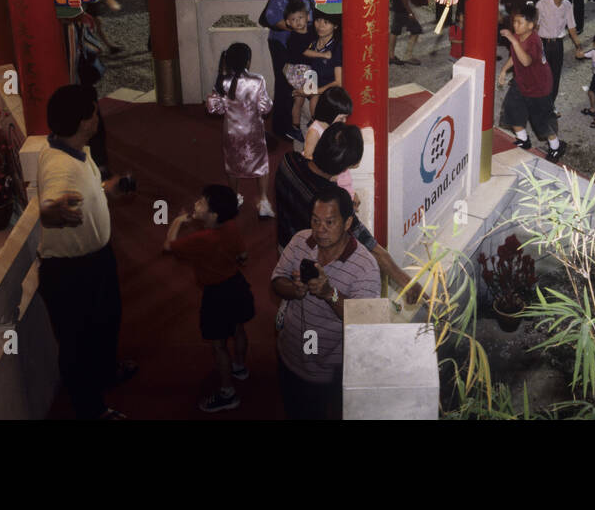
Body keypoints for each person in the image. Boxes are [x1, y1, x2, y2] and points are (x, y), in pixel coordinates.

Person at [37, 85, 137, 420]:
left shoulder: (76, 149)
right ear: (83, 122)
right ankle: (91, 410)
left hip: (96, 261)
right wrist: (52, 212)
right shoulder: (60, 166)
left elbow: (85, 189)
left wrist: (109, 189)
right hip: (72, 273)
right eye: (94, 112)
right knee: (78, 346)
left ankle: (107, 372)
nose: (98, 117)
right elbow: (50, 206)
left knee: (107, 322)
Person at [271, 186, 380, 419]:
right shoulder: (300, 240)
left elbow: (365, 322)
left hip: (330, 373)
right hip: (289, 357)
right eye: (315, 220)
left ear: (348, 222)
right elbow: (277, 280)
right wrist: (294, 290)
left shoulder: (366, 267)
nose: (320, 230)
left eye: (330, 222)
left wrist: (330, 293)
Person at [276, 123, 417, 295]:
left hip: (285, 248)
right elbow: (372, 248)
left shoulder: (288, 161)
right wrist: (407, 283)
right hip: (312, 261)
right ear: (346, 167)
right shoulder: (331, 203)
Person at [164, 183, 255, 413]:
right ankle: (240, 367)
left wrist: (178, 221)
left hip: (216, 295)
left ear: (213, 215)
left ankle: (227, 393)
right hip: (236, 286)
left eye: (202, 202)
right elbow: (243, 255)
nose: (196, 203)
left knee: (218, 345)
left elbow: (168, 245)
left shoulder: (202, 239)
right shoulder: (231, 226)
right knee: (239, 328)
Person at [207, 43, 274, 218]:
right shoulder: (257, 80)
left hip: (231, 133)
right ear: (248, 62)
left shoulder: (222, 81)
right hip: (254, 132)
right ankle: (263, 200)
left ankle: (234, 197)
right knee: (261, 165)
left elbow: (214, 108)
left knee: (232, 166)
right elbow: (265, 107)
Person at [498, 3, 566, 161]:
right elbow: (515, 57)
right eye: (514, 21)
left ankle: (556, 147)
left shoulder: (534, 41)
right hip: (521, 81)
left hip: (538, 86)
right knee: (511, 108)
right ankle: (523, 139)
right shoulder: (518, 36)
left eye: (519, 22)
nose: (515, 25)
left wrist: (513, 41)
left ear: (530, 25)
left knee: (541, 119)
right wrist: (504, 70)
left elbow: (526, 61)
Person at [288, 8, 342, 132]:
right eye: (318, 20)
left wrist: (312, 92)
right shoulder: (311, 41)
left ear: (335, 26)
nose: (320, 26)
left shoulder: (337, 48)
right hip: (309, 92)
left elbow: (338, 82)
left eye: (326, 22)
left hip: (328, 97)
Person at [267, 0, 311, 143]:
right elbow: (270, 18)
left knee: (304, 96)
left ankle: (299, 125)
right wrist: (298, 26)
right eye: (294, 19)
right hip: (287, 51)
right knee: (290, 93)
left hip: (304, 59)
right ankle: (287, 128)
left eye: (301, 18)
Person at [536, 0, 586, 102]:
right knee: (541, 74)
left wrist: (579, 46)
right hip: (543, 43)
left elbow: (572, 27)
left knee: (555, 75)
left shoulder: (567, 5)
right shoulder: (542, 4)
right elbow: (535, 26)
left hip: (558, 44)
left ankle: (551, 103)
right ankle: (539, 102)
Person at [303, 86, 356, 201]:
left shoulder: (335, 127)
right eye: (341, 118)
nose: (344, 122)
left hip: (337, 172)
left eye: (346, 118)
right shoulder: (315, 131)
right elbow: (308, 156)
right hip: (326, 175)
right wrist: (329, 172)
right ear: (329, 113)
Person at [389, 0, 430, 67]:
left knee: (395, 30)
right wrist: (410, 12)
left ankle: (391, 55)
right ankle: (406, 55)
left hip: (399, 5)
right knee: (415, 29)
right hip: (402, 7)